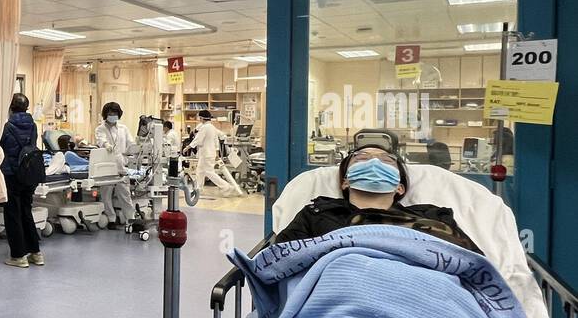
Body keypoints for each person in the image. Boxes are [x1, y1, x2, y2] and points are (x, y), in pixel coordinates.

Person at [275, 145, 481, 252]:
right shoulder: (317, 214)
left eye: (387, 160)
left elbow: (472, 264)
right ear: (345, 182)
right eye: (362, 159)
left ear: (400, 187)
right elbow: (278, 260)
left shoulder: (434, 217)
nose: (374, 162)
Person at [0, 93, 43, 268]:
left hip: (12, 174)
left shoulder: (7, 126)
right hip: (29, 174)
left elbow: (1, 148)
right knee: (26, 212)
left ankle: (18, 256)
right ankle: (36, 253)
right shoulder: (32, 125)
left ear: (11, 107)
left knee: (12, 215)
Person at [94, 101, 134, 227]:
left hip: (121, 165)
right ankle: (111, 218)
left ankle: (131, 219)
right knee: (106, 195)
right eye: (110, 113)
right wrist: (106, 145)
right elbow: (101, 140)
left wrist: (134, 150)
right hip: (106, 166)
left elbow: (130, 142)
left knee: (125, 195)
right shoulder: (100, 128)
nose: (113, 116)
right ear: (105, 114)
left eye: (115, 113)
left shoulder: (123, 128)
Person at [191, 110, 242, 196]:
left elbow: (198, 140)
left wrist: (188, 147)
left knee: (209, 172)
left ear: (201, 118)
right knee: (200, 171)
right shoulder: (211, 127)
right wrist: (217, 152)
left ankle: (226, 187)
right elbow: (216, 140)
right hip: (209, 153)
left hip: (206, 153)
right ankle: (198, 189)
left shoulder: (204, 127)